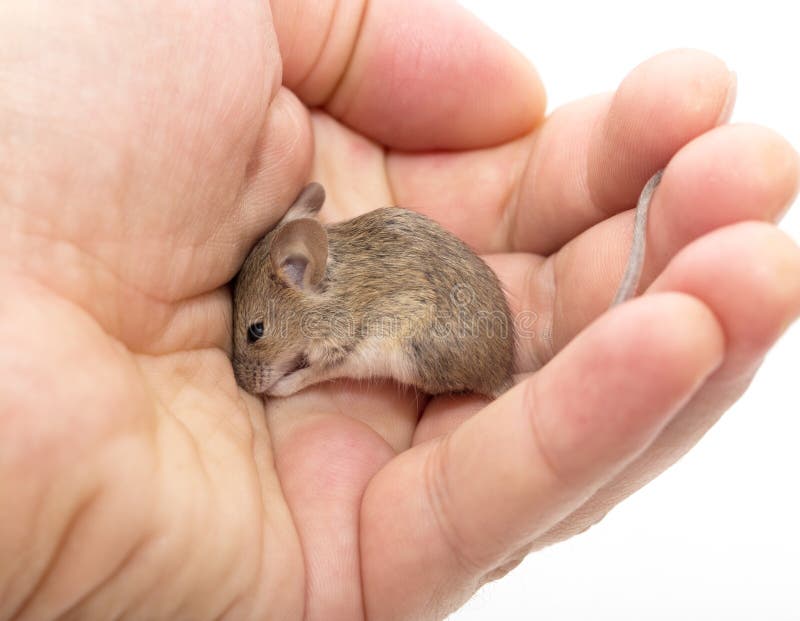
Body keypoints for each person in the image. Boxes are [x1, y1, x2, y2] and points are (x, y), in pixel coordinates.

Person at [1, 1, 798, 619]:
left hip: (442, 338)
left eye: (256, 337)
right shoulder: (308, 269)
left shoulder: (329, 309)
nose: (251, 356)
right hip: (443, 299)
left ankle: (475, 379)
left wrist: (290, 379)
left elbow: (340, 348)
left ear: (299, 272)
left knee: (412, 351)